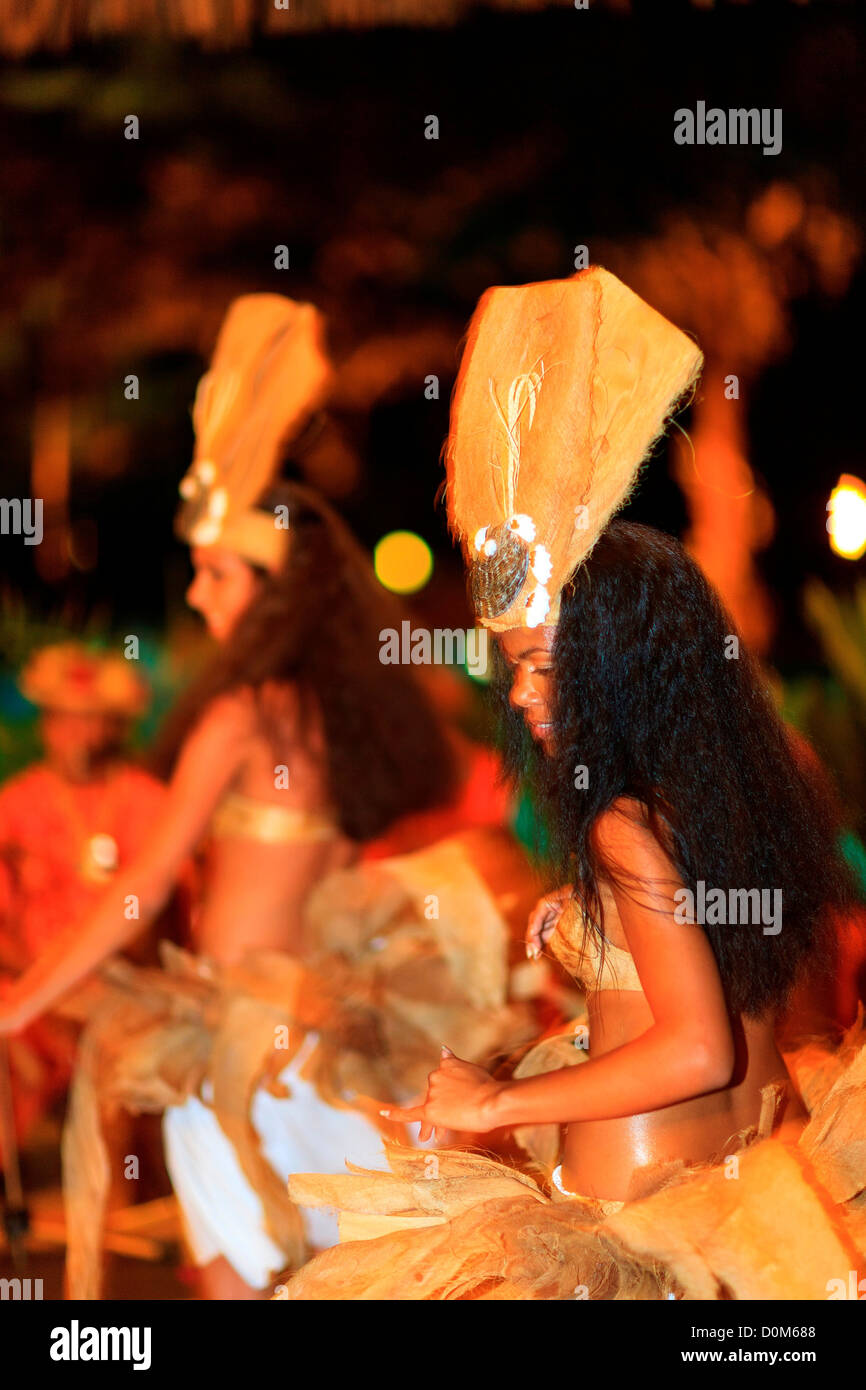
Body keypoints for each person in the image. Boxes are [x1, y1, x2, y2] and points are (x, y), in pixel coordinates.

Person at [282, 267, 866, 1301]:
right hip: (732, 1219)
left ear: (620, 665)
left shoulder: (626, 829)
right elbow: (741, 1024)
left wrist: (488, 1105)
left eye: (546, 664)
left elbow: (694, 1048)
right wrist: (600, 916)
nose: (520, 693)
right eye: (512, 662)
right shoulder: (736, 804)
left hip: (621, 1226)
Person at [0, 294, 541, 1300]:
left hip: (240, 1060)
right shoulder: (351, 720)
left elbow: (141, 890)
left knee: (235, 1285)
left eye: (214, 572)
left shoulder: (239, 716)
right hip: (329, 1046)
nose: (199, 593)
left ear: (269, 587)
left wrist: (21, 1000)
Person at [0, 644, 169, 1159]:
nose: (75, 734)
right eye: (64, 720)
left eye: (90, 721)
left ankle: (115, 1224)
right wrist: (43, 991)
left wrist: (98, 989)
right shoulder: (15, 803)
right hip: (33, 990)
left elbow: (158, 917)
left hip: (123, 993)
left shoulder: (149, 802)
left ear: (113, 728)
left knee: (119, 1064)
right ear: (46, 725)